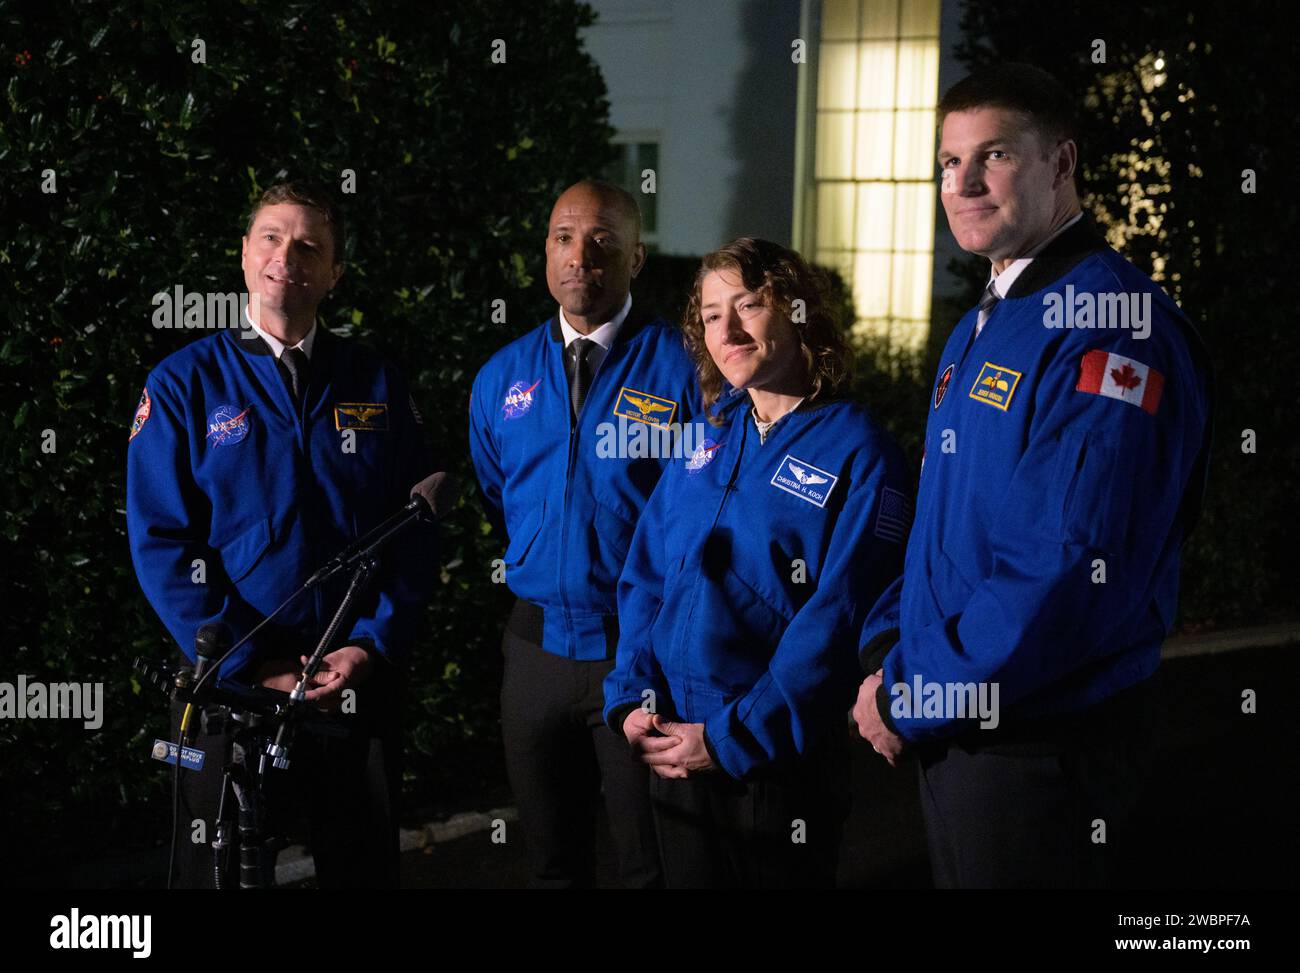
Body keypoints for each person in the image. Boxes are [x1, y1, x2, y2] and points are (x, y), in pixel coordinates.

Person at [853, 63, 1212, 888]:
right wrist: (888, 648)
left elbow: (1063, 572)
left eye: (997, 156)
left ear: (1061, 163)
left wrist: (909, 696)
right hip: (965, 725)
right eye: (949, 161)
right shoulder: (990, 320)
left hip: (1040, 747)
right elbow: (948, 531)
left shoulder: (1111, 328)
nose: (964, 182)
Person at [127, 182, 435, 887]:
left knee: (360, 873)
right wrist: (251, 663)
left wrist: (370, 645)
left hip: (349, 687)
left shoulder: (376, 381)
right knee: (216, 879)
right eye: (270, 237)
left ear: (335, 272)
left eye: (308, 246)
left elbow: (414, 532)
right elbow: (161, 543)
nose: (285, 257)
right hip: (229, 690)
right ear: (243, 254)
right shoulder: (183, 384)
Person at [603, 238, 910, 888]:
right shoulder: (704, 436)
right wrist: (633, 696)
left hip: (774, 766)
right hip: (674, 747)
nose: (728, 329)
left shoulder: (858, 452)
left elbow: (836, 621)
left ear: (798, 312)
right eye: (712, 314)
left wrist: (728, 738)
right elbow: (646, 577)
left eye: (748, 305)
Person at [468, 179, 701, 888]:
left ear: (637, 259)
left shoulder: (685, 366)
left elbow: (703, 505)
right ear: (545, 252)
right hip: (533, 655)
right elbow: (493, 493)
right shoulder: (502, 376)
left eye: (604, 241)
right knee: (551, 865)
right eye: (565, 238)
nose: (581, 257)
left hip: (638, 655)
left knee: (648, 862)